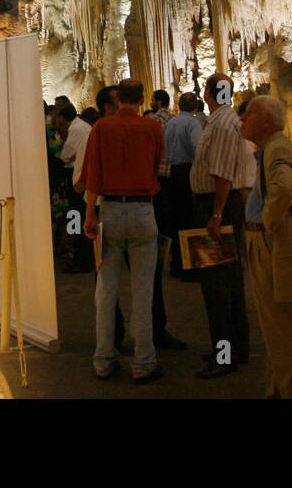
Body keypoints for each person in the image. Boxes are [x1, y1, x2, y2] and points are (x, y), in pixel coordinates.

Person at [82, 79, 166, 384]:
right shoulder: (154, 129)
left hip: (111, 211)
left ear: (117, 98)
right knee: (143, 291)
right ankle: (143, 362)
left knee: (106, 290)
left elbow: (93, 176)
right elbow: (157, 168)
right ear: (142, 99)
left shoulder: (101, 129)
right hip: (144, 210)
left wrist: (90, 215)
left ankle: (103, 359)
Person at [240, 95, 292, 398]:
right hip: (274, 245)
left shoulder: (278, 149)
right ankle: (277, 391)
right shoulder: (275, 148)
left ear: (267, 121)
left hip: (275, 248)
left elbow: (286, 187)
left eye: (249, 114)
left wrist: (266, 221)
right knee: (277, 333)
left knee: (287, 336)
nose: (242, 119)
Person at [190, 73, 251, 378]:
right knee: (229, 282)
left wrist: (215, 215)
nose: (203, 94)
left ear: (211, 93)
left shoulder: (224, 124)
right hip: (220, 206)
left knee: (217, 286)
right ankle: (236, 347)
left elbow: (222, 174)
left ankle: (225, 355)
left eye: (205, 89)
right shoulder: (221, 121)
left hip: (219, 209)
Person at [163, 92, 203, 278]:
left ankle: (177, 263)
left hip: (172, 173)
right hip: (188, 171)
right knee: (190, 218)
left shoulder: (171, 122)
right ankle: (191, 266)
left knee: (176, 219)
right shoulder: (192, 123)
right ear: (195, 106)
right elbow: (198, 148)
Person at [55, 102, 94, 273]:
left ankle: (80, 258)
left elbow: (65, 155)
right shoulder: (81, 127)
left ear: (62, 118)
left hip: (78, 182)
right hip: (82, 180)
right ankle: (81, 255)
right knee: (77, 217)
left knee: (75, 217)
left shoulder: (77, 129)